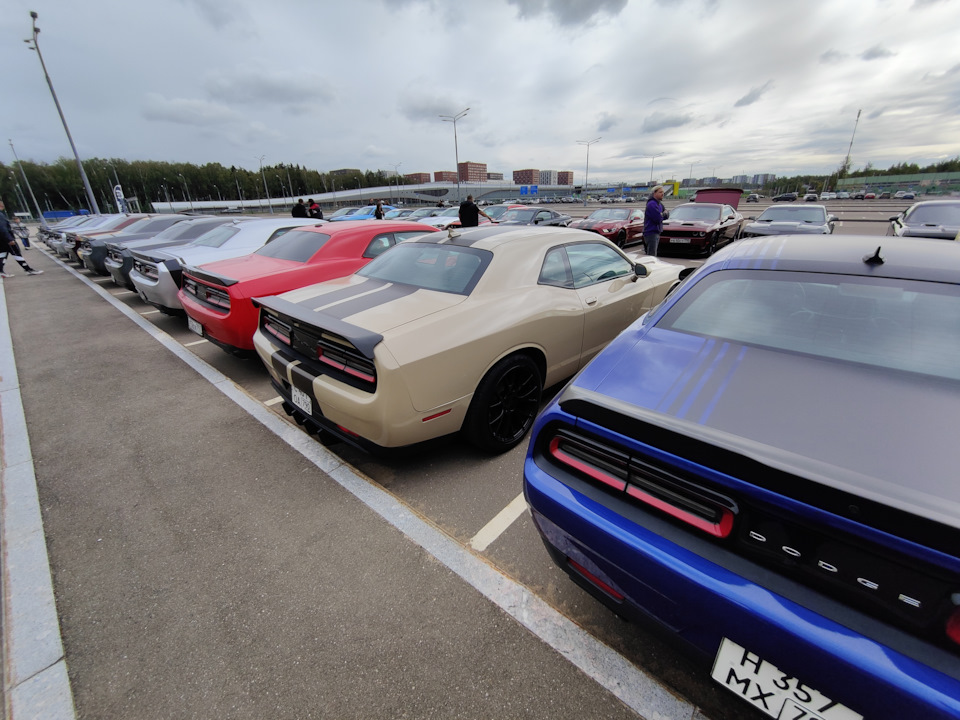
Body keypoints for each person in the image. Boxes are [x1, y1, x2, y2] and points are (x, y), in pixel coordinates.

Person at [0, 201, 42, 277]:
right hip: (6, 239)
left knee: (3, 254)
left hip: (2, 240)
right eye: (2, 204)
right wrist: (9, 239)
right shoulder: (0, 215)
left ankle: (1, 271)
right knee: (16, 253)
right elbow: (2, 228)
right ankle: (28, 269)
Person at [643, 185, 667, 256]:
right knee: (651, 255)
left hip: (656, 232)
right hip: (651, 233)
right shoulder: (652, 204)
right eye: (660, 192)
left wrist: (662, 214)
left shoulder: (659, 204)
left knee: (653, 254)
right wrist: (662, 215)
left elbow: (667, 214)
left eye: (663, 192)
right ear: (654, 193)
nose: (662, 194)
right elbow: (658, 219)